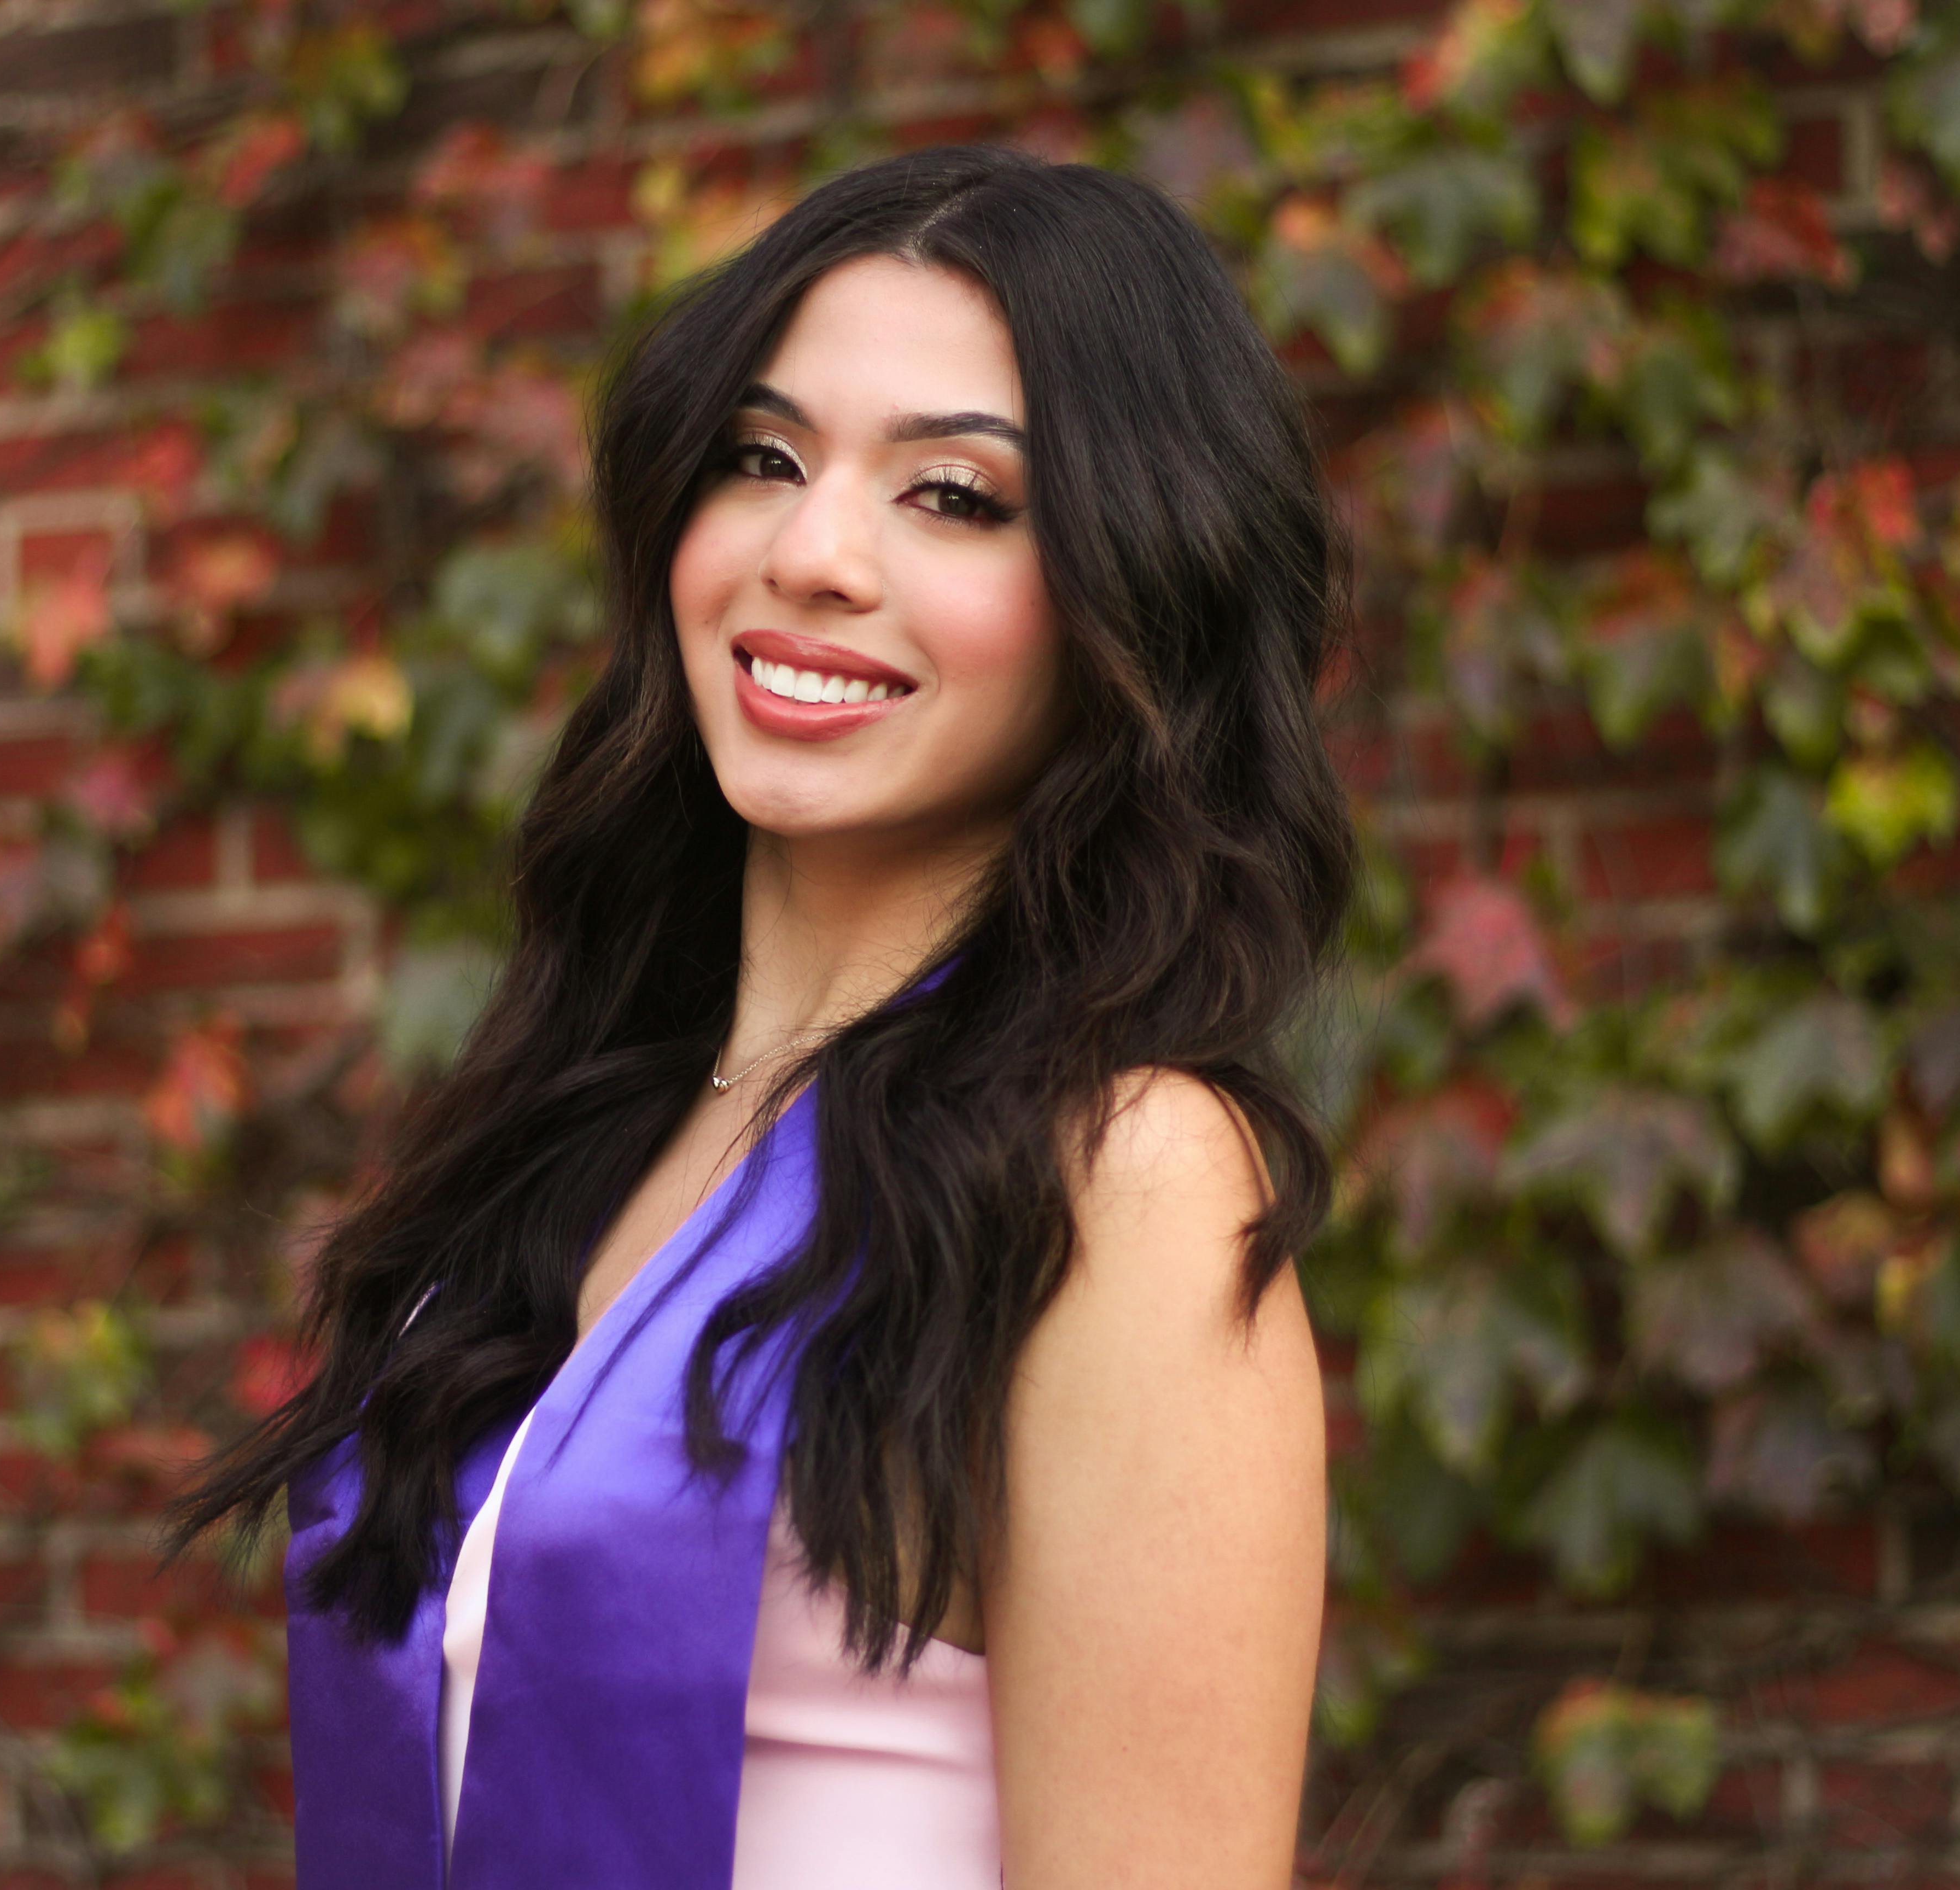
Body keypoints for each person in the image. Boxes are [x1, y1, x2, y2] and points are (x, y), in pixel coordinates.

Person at [167, 141, 1356, 1890]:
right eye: (762, 458)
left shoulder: (1123, 1176)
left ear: (1133, 593)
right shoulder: (579, 1131)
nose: (811, 552)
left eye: (954, 496)